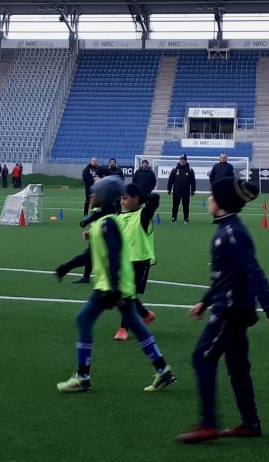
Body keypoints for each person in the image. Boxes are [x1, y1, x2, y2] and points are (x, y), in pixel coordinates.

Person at [176, 178, 269, 443]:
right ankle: (250, 424)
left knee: (202, 357)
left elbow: (253, 271)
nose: (209, 200)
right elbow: (226, 276)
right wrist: (205, 301)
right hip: (232, 305)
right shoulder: (226, 229)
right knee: (237, 368)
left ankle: (208, 424)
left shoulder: (232, 234)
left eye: (212, 196)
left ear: (222, 202)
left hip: (231, 310)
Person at [54, 176, 176, 395]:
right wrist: (67, 266)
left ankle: (82, 377)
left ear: (103, 196)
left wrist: (113, 288)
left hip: (112, 286)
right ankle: (163, 369)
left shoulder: (109, 222)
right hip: (118, 285)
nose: (90, 195)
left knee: (83, 319)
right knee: (137, 327)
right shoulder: (107, 220)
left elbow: (115, 256)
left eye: (94, 192)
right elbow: (92, 253)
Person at [113, 181, 161, 342]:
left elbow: (155, 198)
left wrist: (142, 197)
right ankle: (145, 315)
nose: (122, 201)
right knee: (125, 294)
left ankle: (123, 328)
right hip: (123, 261)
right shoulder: (120, 216)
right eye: (121, 198)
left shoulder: (143, 215)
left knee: (127, 293)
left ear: (136, 199)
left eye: (125, 198)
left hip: (139, 261)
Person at [168, 155, 195, 223]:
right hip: (176, 191)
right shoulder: (175, 169)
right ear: (179, 160)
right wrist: (169, 188)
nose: (182, 161)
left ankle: (186, 219)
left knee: (186, 206)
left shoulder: (190, 169)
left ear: (186, 160)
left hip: (186, 191)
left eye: (184, 159)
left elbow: (193, 181)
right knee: (175, 206)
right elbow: (170, 180)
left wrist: (193, 190)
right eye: (181, 159)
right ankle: (174, 218)